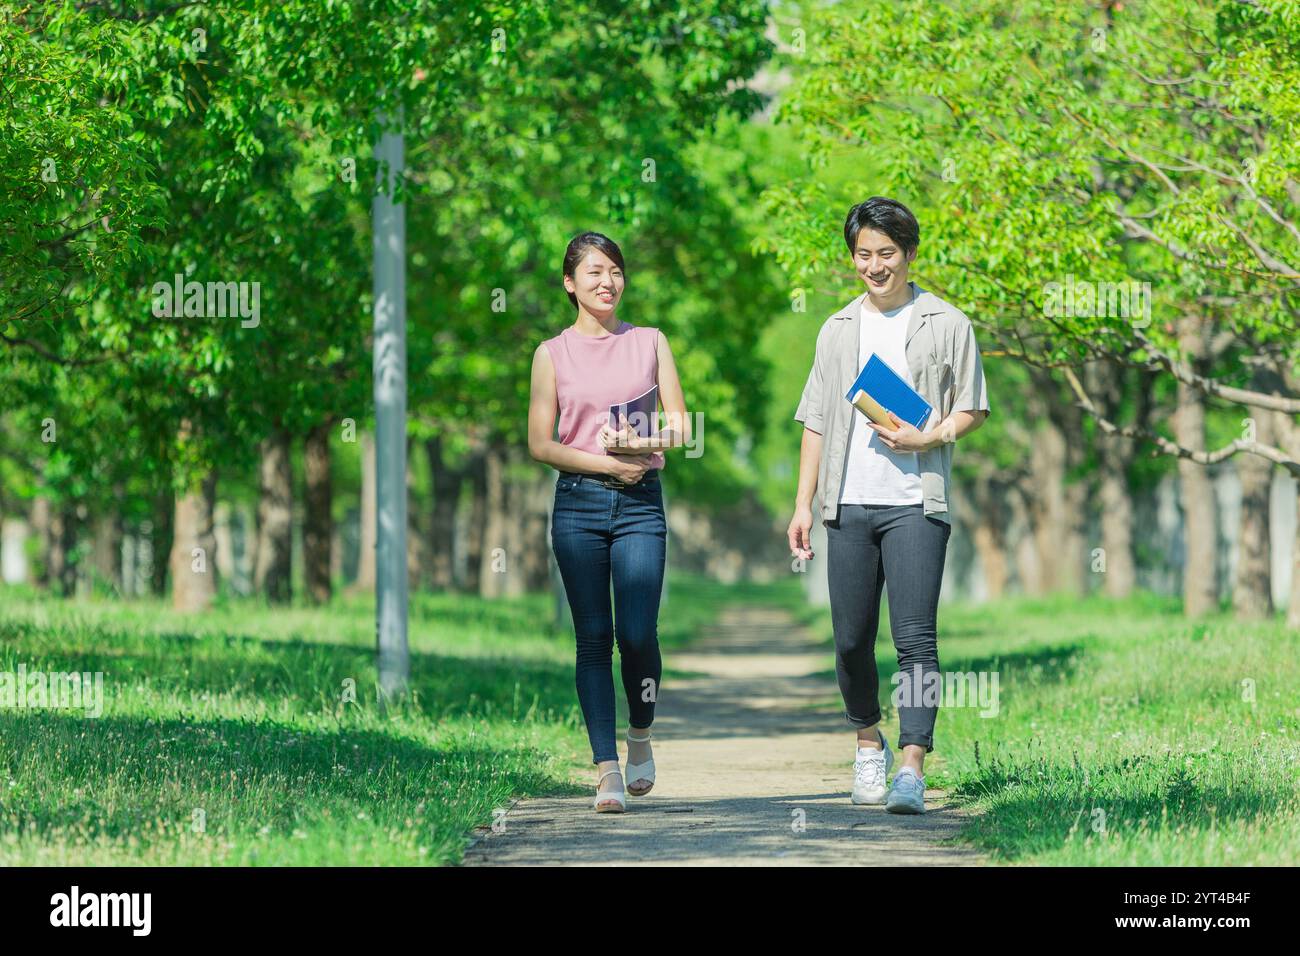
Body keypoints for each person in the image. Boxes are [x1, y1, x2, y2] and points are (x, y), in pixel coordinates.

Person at [786, 197, 991, 813]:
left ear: (909, 253)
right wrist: (802, 504)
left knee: (916, 641)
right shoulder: (837, 329)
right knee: (850, 639)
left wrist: (929, 437)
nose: (874, 267)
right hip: (847, 503)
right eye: (863, 255)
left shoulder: (946, 322)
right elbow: (816, 419)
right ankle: (868, 742)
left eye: (886, 254)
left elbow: (973, 407)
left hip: (915, 504)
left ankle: (912, 765)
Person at [527, 231, 691, 813]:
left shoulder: (649, 341)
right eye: (594, 271)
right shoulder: (551, 354)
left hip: (642, 502)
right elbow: (540, 443)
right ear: (570, 283)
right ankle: (606, 770)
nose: (608, 281)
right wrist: (604, 463)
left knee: (638, 633)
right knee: (593, 638)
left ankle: (640, 733)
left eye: (615, 270)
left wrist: (638, 442)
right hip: (578, 503)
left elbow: (681, 427)